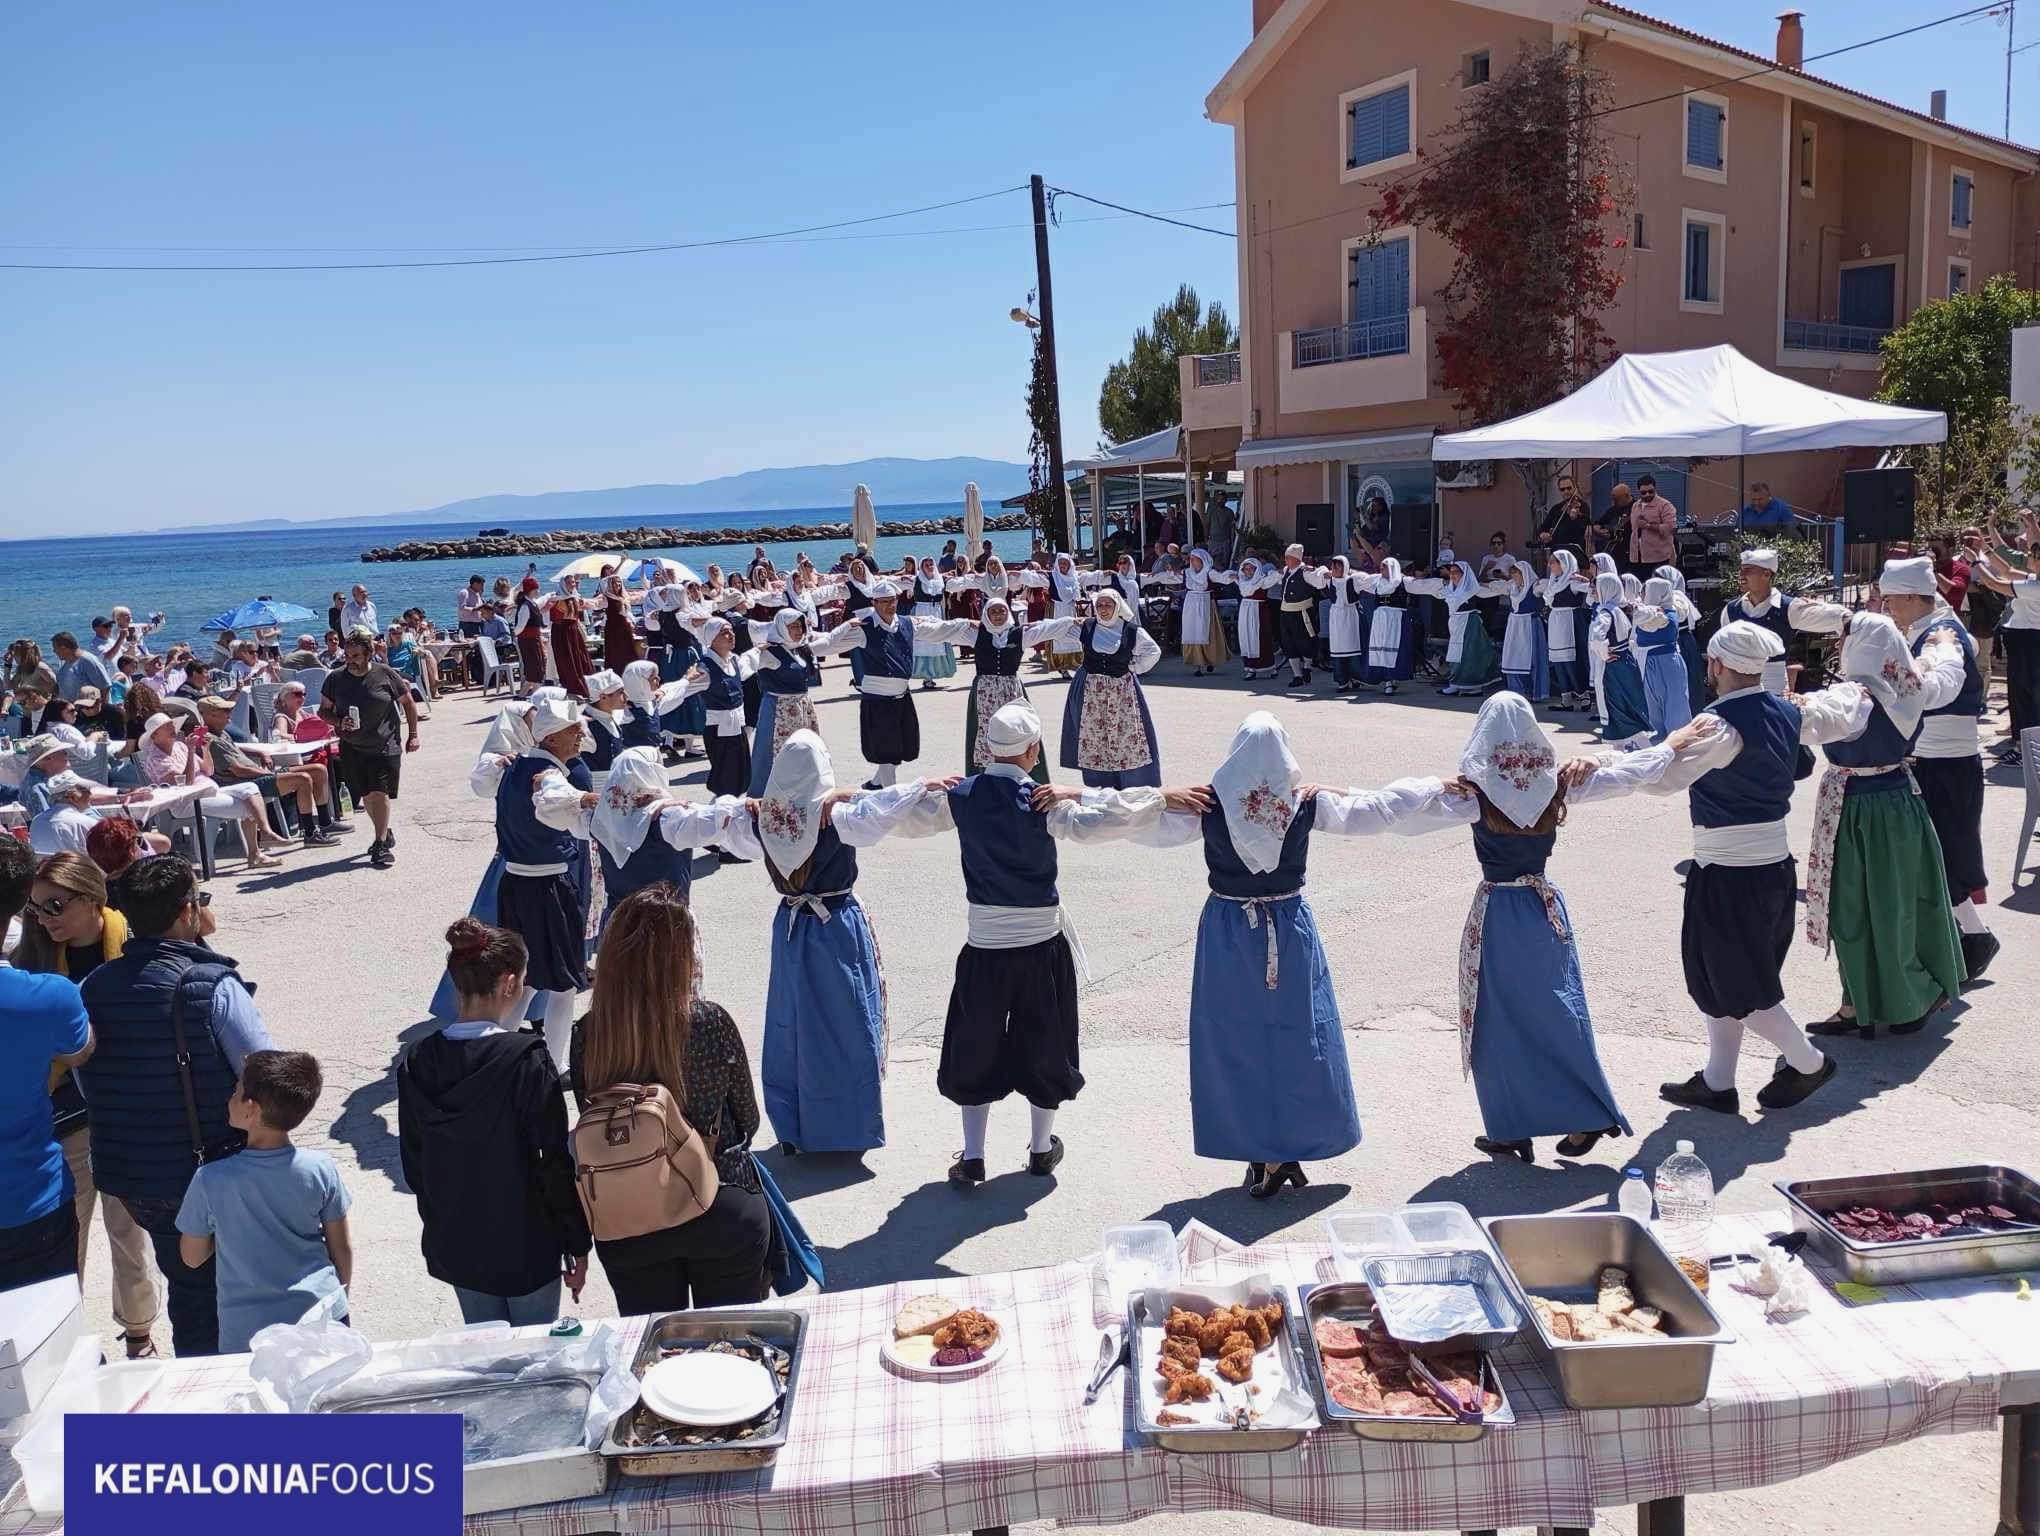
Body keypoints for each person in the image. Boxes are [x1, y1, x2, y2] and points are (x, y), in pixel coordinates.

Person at [878, 703, 1203, 1187]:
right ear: (1033, 750)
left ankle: (973, 1156)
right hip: (1039, 946)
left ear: (988, 747)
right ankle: (1039, 1148)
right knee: (1046, 1042)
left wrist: (914, 788)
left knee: (975, 1043)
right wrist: (1158, 797)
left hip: (984, 946)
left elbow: (897, 819)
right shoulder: (1043, 800)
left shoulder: (961, 796)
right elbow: (1103, 821)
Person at [1125, 714, 1428, 1194]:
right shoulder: (1304, 802)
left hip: (1229, 929)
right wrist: (1440, 785)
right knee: (1298, 1035)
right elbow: (1379, 808)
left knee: (1236, 1039)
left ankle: (1263, 1152)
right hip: (1288, 926)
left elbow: (1131, 821)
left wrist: (1150, 796)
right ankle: (1289, 1148)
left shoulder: (1206, 802)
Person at [1394, 695, 1641, 1163]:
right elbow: (1635, 771)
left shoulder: (1473, 793)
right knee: (1558, 1011)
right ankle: (1582, 1111)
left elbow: (1396, 813)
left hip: (1499, 909)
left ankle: (1514, 1126)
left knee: (1496, 1019)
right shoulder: (1557, 784)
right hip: (1543, 907)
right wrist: (1600, 756)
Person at [1625, 624, 1840, 1113]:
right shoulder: (1786, 710)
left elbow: (1665, 781)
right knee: (1720, 977)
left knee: (1738, 983)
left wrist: (1639, 757)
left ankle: (1808, 1062)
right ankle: (1718, 1081)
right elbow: (1801, 765)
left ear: (1716, 666)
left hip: (1729, 869)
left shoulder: (1720, 725)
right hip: (1772, 868)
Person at [75, 855, 275, 1355]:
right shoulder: (211, 985)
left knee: (189, 1288)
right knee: (245, 1294)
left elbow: (86, 1081)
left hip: (138, 1177)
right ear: (187, 911)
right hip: (213, 1168)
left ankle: (199, 1404)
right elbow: (263, 1077)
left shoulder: (91, 988)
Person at [572, 886, 771, 1313]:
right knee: (733, 1347)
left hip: (629, 1214)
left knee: (653, 1353)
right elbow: (749, 1120)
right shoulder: (709, 1020)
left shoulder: (588, 1033)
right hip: (719, 1198)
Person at [714, 732, 914, 1155]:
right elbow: (891, 805)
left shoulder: (764, 816)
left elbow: (711, 816)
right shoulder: (836, 814)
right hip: (835, 926)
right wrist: (851, 792)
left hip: (790, 927)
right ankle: (845, 1129)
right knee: (846, 1025)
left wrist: (753, 804)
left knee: (793, 1026)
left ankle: (794, 1126)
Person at [401, 918, 591, 1326]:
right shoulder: (526, 1058)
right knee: (533, 1359)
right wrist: (577, 1241)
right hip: (526, 1243)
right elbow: (553, 1163)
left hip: (458, 1242)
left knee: (486, 1356)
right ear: (508, 984)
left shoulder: (418, 1060)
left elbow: (415, 1165)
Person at [13, 852, 161, 1354]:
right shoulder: (31, 961)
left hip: (126, 1113)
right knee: (66, 1238)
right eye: (34, 909)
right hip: (65, 1120)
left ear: (92, 897)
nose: (45, 918)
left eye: (55, 904)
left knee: (129, 1234)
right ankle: (59, 1341)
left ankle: (139, 1332)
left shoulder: (135, 947)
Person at [1796, 613, 1968, 1040]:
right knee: (1895, 906)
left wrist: (1767, 703)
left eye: (1847, 637)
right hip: (1898, 803)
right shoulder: (1911, 687)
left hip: (1859, 809)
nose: (1841, 644)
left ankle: (1888, 999)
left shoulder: (1856, 697)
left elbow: (1813, 718)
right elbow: (1943, 669)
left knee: (1853, 908)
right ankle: (1878, 1001)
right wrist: (1945, 642)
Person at [174, 1050, 351, 1349]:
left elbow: (191, 1258)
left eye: (236, 1091)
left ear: (250, 1109)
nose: (230, 1098)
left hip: (248, 1331)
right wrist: (339, 1299)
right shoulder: (321, 1168)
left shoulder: (210, 1179)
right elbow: (341, 1247)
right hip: (322, 1316)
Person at [1875, 556, 1998, 982]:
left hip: (1945, 761)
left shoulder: (1941, 633)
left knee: (1942, 854)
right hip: (1934, 758)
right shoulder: (1927, 628)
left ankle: (1975, 936)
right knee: (1937, 854)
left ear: (1911, 595)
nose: (1886, 606)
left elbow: (1936, 681)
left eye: (1890, 599)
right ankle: (1965, 935)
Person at [0, 838, 96, 1292]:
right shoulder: (50, 998)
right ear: (21, 906)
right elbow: (80, 1050)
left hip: (33, 1206)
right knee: (51, 1349)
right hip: (30, 1204)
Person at [493, 694, 599, 1069]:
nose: (581, 735)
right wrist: (590, 798)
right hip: (548, 888)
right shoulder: (549, 775)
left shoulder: (515, 765)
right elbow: (560, 797)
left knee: (527, 978)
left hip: (515, 884)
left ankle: (498, 1056)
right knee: (563, 984)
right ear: (552, 737)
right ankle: (554, 1065)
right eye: (574, 729)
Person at [588, 746, 737, 917]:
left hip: (618, 922)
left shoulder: (603, 817)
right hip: (665, 925)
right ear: (653, 773)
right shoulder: (669, 817)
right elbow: (717, 821)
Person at [318, 630, 420, 870]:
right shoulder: (335, 678)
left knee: (379, 793)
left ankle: (380, 845)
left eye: (355, 655)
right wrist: (338, 721)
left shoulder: (384, 674)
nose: (349, 659)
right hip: (352, 745)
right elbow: (323, 711)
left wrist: (413, 735)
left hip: (385, 744)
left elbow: (408, 703)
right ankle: (385, 830)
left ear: (368, 654)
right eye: (347, 654)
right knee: (365, 795)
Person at [140, 712, 282, 870]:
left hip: (208, 791)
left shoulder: (180, 746)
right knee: (249, 806)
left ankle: (264, 833)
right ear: (154, 736)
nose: (172, 728)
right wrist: (191, 752)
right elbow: (186, 783)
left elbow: (208, 770)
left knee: (251, 788)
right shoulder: (156, 758)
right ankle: (256, 853)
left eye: (171, 724)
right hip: (186, 801)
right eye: (166, 727)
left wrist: (206, 750)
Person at [816, 580, 923, 789]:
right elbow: (826, 645)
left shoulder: (907, 623)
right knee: (887, 752)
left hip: (902, 697)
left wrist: (967, 624)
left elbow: (936, 628)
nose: (889, 606)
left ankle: (875, 783)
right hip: (878, 700)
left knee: (900, 746)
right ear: (874, 603)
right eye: (883, 602)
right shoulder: (863, 628)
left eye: (892, 601)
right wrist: (845, 625)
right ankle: (891, 795)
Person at [195, 694, 341, 847]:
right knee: (303, 779)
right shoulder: (210, 740)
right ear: (211, 715)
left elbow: (237, 748)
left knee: (318, 770)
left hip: (256, 774)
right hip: (246, 782)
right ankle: (310, 834)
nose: (229, 714)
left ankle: (325, 823)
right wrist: (265, 773)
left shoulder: (221, 732)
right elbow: (238, 770)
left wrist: (260, 753)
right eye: (225, 711)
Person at [1058, 588, 1163, 788]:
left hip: (1121, 692)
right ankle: (1098, 783)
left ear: (1117, 606)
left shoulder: (1131, 630)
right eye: (1099, 605)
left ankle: (1131, 783)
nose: (1103, 609)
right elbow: (1057, 631)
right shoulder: (1086, 627)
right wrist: (1068, 621)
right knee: (1094, 737)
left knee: (1125, 735)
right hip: (1092, 693)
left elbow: (1153, 651)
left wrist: (1134, 667)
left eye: (1108, 605)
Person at [1719, 548, 1852, 695]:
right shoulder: (1731, 610)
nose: (1742, 575)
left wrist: (1848, 638)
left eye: (1749, 570)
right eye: (1742, 570)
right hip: (1739, 689)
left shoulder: (1788, 608)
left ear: (1767, 574)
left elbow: (1840, 617)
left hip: (1774, 689)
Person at [1970, 540, 2040, 761]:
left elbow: (1993, 583)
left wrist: (1976, 562)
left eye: (2032, 555)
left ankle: (2025, 750)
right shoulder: (2032, 581)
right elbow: (2007, 571)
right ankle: (2024, 746)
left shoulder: (2034, 588)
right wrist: (1986, 550)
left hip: (2029, 643)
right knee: (2022, 694)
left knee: (2025, 695)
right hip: (2025, 642)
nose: (2028, 557)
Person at [747, 609, 822, 795]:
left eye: (800, 625)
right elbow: (743, 666)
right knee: (772, 752)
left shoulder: (801, 648)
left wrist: (846, 627)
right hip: (777, 709)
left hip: (802, 707)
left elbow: (829, 642)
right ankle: (764, 794)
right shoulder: (769, 653)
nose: (798, 630)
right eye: (792, 626)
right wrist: (755, 650)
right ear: (780, 627)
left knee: (804, 749)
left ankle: (802, 791)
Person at [1406, 560, 1507, 695]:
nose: (1453, 575)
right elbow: (1425, 586)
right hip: (1455, 623)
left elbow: (1493, 590)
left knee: (1469, 655)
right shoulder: (1448, 589)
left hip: (1469, 623)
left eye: (1456, 572)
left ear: (1464, 574)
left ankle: (1473, 687)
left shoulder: (1472, 588)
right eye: (1451, 572)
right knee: (1454, 654)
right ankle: (1455, 684)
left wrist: (1508, 585)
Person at [1586, 574, 1653, 747]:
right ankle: (1620, 749)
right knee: (1629, 702)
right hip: (1628, 661)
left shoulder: (1606, 612)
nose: (1593, 591)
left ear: (1605, 588)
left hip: (1613, 665)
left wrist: (1604, 654)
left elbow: (1597, 637)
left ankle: (1643, 747)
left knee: (1617, 705)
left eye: (1596, 587)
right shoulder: (1625, 607)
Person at [1633, 577, 1693, 743]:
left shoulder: (1667, 613)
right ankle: (1657, 745)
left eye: (1645, 591)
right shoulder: (1647, 612)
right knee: (1651, 706)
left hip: (1667, 663)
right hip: (1648, 662)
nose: (1642, 595)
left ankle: (1679, 743)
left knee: (1675, 705)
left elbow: (1651, 621)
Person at [1539, 549, 1593, 710]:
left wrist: (1586, 580)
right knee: (1558, 660)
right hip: (1556, 621)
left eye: (1553, 561)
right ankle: (1566, 698)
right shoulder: (1554, 582)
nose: (1549, 565)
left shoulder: (1572, 581)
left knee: (1571, 660)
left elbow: (1592, 588)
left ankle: (1584, 696)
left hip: (1570, 621)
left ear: (1563, 563)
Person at [1653, 565, 1708, 717]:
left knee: (1686, 684)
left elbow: (1677, 616)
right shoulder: (1659, 596)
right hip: (1671, 644)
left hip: (1681, 644)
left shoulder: (1677, 598)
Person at [1358, 557, 1417, 696]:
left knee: (1395, 649)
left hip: (1396, 619)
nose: (1381, 569)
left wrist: (1441, 584)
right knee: (1381, 649)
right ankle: (1386, 679)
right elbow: (1359, 579)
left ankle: (1392, 678)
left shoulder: (1402, 581)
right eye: (1381, 567)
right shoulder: (1377, 582)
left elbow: (1421, 585)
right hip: (1380, 620)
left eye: (1384, 567)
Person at [1273, 545, 1328, 687]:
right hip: (1285, 612)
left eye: (1288, 557)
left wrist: (1321, 572)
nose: (1285, 560)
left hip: (1302, 613)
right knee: (1288, 643)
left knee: (1304, 642)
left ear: (1296, 558)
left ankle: (1307, 667)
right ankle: (1297, 675)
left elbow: (1319, 578)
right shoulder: (1286, 571)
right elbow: (1275, 578)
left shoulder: (1305, 572)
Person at [1498, 557, 1550, 702]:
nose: (1513, 576)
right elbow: (1489, 589)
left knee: (1532, 658)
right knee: (1513, 657)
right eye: (1513, 573)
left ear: (1524, 574)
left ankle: (1533, 691)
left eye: (1516, 573)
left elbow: (1550, 586)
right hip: (1514, 626)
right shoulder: (1512, 587)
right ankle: (1516, 691)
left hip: (1531, 625)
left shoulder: (1534, 587)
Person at [1177, 549, 1235, 675]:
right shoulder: (1187, 573)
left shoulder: (1209, 573)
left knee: (1208, 632)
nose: (1191, 561)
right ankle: (1197, 663)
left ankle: (1210, 659)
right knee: (1193, 631)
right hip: (1191, 605)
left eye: (1194, 558)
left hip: (1206, 604)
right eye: (1190, 558)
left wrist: (1231, 576)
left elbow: (1222, 577)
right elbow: (1171, 577)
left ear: (1202, 560)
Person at [908, 556, 960, 687]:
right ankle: (926, 676)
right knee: (923, 643)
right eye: (926, 564)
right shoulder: (916, 580)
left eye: (931, 564)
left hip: (936, 613)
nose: (930, 566)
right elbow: (898, 582)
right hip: (921, 612)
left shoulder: (940, 580)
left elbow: (961, 583)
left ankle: (933, 673)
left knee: (937, 642)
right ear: (921, 566)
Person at [1319, 555, 1368, 691]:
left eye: (1338, 566)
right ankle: (1342, 680)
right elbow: (1315, 575)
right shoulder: (1329, 581)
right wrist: (1321, 572)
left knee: (1352, 646)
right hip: (1336, 617)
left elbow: (1367, 578)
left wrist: (1352, 572)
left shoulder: (1353, 581)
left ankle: (1356, 677)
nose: (1334, 569)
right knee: (1337, 648)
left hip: (1351, 616)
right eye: (1333, 566)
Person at [1233, 556, 1281, 680]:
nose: (1248, 572)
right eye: (1246, 569)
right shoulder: (1242, 581)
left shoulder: (1262, 581)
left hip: (1259, 611)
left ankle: (1270, 667)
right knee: (1246, 638)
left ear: (1256, 569)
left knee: (1261, 638)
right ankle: (1250, 668)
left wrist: (1278, 573)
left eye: (1251, 569)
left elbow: (1275, 577)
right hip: (1245, 610)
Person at [548, 576, 594, 697]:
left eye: (574, 582)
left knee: (581, 658)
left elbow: (590, 605)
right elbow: (542, 608)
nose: (573, 585)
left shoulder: (575, 597)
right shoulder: (555, 598)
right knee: (568, 660)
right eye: (570, 583)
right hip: (562, 632)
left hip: (574, 631)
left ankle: (588, 686)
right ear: (563, 584)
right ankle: (573, 688)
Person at [1042, 553, 1086, 674]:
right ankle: (1061, 666)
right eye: (1060, 563)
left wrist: (1104, 574)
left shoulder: (1074, 577)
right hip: (1056, 609)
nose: (1063, 565)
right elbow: (1035, 579)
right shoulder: (1051, 577)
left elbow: (1090, 576)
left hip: (1071, 610)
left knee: (1074, 636)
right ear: (1057, 564)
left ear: (1069, 564)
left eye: (1065, 563)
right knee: (1058, 636)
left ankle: (1074, 663)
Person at [50, 631, 112, 703]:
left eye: (55, 648)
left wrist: (101, 711)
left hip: (88, 711)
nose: (54, 651)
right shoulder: (66, 663)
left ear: (64, 648)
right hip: (71, 711)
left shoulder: (88, 661)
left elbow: (105, 688)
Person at [512, 575, 549, 692]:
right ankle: (537, 695)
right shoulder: (525, 606)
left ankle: (522, 695)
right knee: (535, 668)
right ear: (531, 590)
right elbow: (520, 627)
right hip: (528, 642)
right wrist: (515, 635)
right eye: (536, 589)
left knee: (535, 668)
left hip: (534, 640)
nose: (538, 591)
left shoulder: (532, 604)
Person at [1537, 474, 1593, 551]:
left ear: (1574, 488)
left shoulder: (1582, 506)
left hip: (1575, 550)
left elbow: (1586, 527)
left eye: (1569, 488)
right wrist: (1542, 534)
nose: (1566, 491)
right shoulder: (1556, 508)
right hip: (1557, 550)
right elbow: (1543, 527)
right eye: (1562, 489)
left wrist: (1575, 518)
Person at [601, 574, 643, 668]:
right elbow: (596, 603)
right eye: (614, 582)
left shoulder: (624, 597)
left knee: (628, 651)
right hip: (612, 629)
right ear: (610, 584)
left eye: (619, 582)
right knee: (615, 654)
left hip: (624, 628)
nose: (617, 584)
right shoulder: (606, 597)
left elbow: (628, 610)